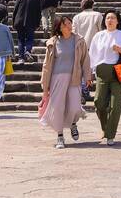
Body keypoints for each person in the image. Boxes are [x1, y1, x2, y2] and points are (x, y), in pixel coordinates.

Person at [39, 12, 91, 149]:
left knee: (74, 106)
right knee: (58, 107)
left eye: (70, 23)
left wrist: (88, 76)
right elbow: (46, 65)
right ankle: (60, 136)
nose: (69, 26)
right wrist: (45, 87)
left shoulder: (79, 40)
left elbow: (85, 59)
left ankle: (73, 123)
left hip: (74, 77)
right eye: (65, 24)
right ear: (59, 27)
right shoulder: (53, 42)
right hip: (57, 78)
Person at [88, 11, 121, 145]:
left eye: (113, 18)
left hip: (118, 73)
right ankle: (105, 128)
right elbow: (92, 55)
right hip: (102, 71)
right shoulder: (98, 36)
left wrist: (120, 50)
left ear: (117, 21)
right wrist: (90, 72)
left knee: (116, 105)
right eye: (108, 18)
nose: (110, 20)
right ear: (104, 21)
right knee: (98, 102)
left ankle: (110, 135)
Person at [12, 0, 43, 64]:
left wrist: (13, 22)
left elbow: (15, 10)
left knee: (21, 39)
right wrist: (38, 23)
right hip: (31, 21)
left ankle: (21, 58)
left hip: (19, 21)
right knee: (30, 38)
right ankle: (28, 51)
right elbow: (38, 11)